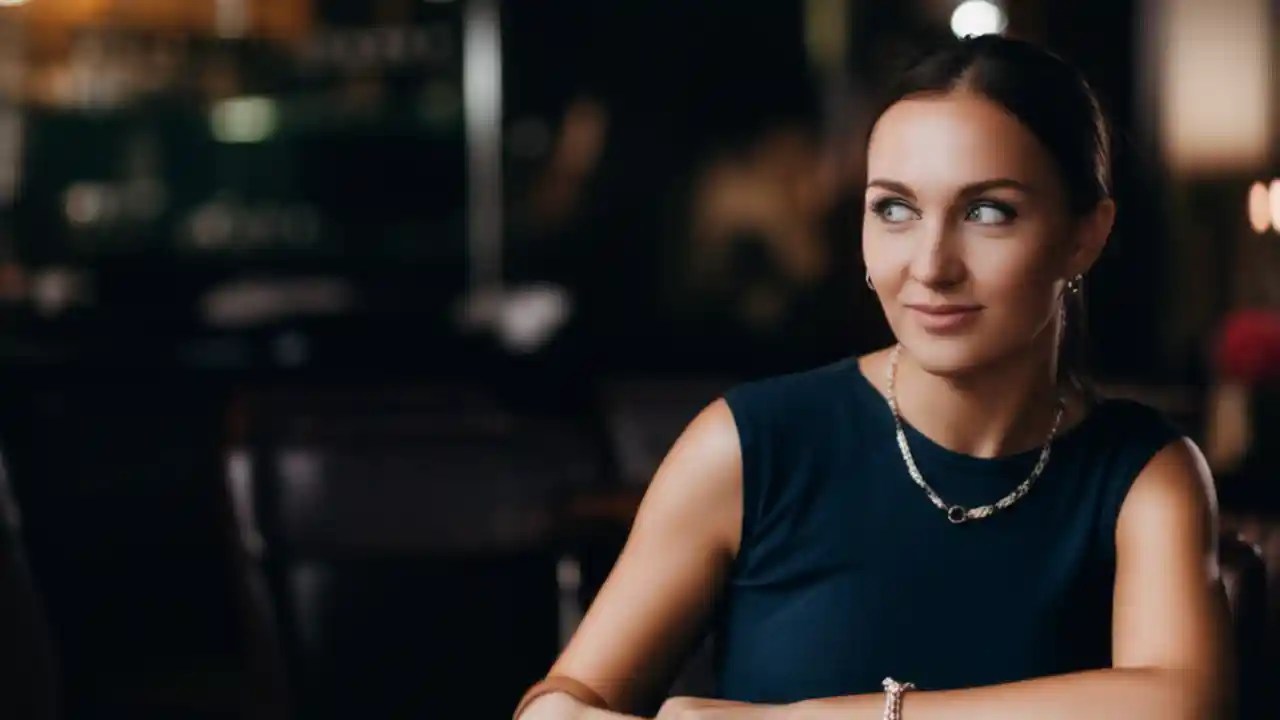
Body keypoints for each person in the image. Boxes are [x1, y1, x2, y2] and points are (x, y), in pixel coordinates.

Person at [513, 35, 1231, 720]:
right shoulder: (750, 447)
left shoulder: (1145, 474)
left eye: (987, 212)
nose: (930, 265)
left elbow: (1181, 704)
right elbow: (564, 696)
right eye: (894, 209)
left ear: (1086, 236)